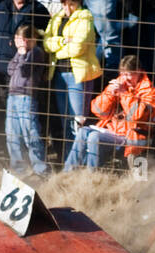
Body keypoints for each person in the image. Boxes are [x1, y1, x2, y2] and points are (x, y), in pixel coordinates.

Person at [63, 55, 155, 170]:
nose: (126, 78)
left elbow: (136, 116)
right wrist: (110, 94)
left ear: (139, 71)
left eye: (130, 74)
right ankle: (67, 173)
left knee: (94, 137)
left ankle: (91, 176)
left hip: (133, 136)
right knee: (83, 131)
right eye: (123, 74)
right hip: (112, 131)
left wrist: (123, 93)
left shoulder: (151, 91)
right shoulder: (119, 84)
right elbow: (98, 111)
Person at [44, 0, 102, 155]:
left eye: (71, 5)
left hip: (78, 76)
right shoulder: (56, 18)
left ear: (78, 4)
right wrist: (63, 41)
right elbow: (45, 43)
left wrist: (57, 49)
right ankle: (70, 159)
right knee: (65, 121)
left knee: (78, 120)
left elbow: (78, 47)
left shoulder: (86, 17)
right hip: (59, 74)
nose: (67, 8)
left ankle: (81, 158)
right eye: (64, 4)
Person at [6, 24, 50, 178]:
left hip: (26, 97)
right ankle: (19, 170)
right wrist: (19, 54)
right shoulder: (19, 53)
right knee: (12, 134)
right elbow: (10, 70)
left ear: (32, 39)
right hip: (12, 96)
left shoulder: (36, 52)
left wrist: (23, 54)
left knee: (30, 133)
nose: (20, 42)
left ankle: (41, 169)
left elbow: (24, 72)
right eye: (18, 38)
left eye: (24, 39)